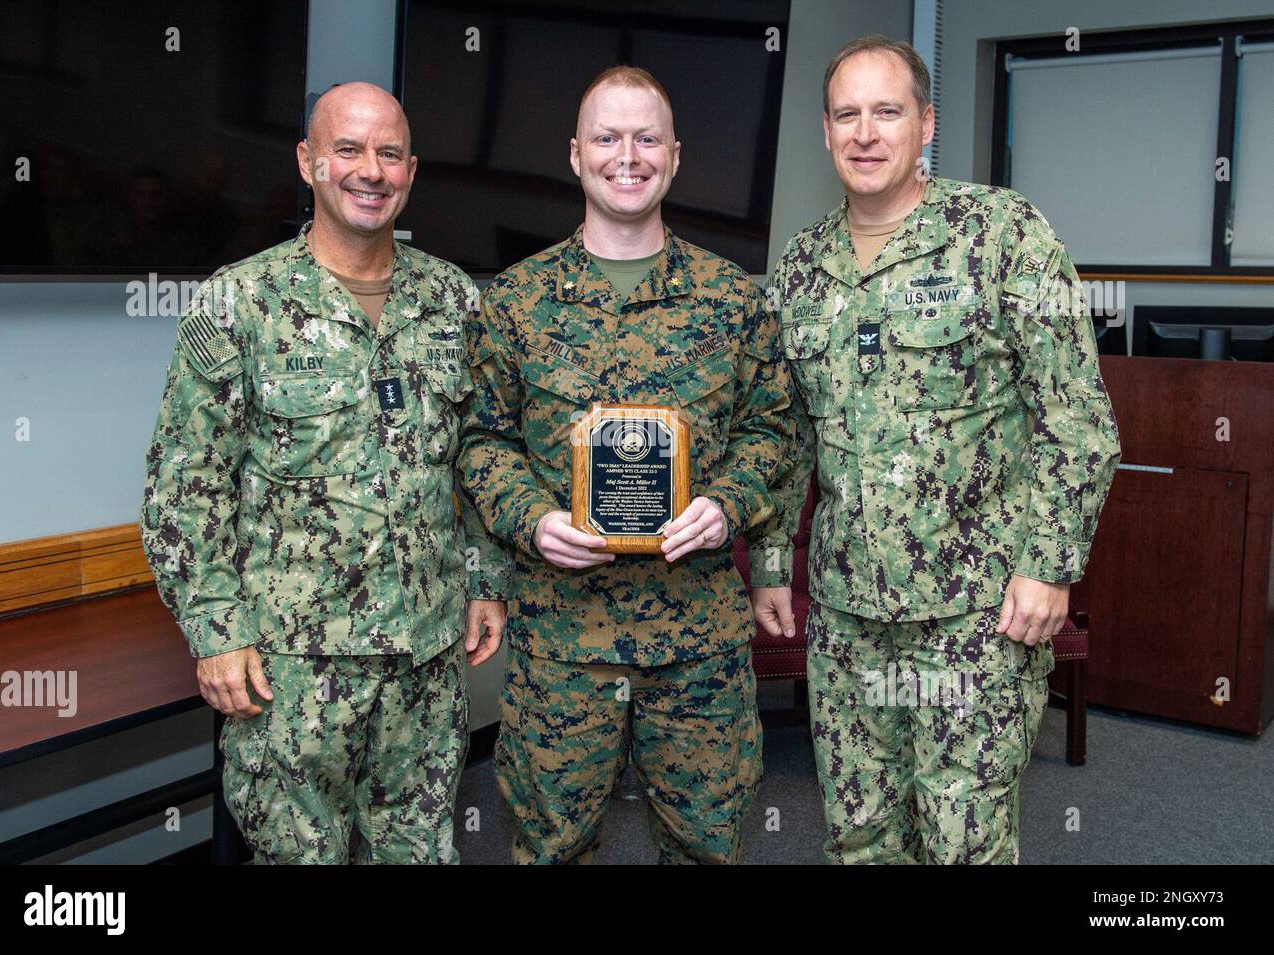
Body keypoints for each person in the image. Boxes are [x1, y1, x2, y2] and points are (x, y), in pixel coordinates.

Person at [753, 36, 1121, 864]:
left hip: (977, 615)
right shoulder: (803, 267)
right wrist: (774, 562)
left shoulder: (1001, 234)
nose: (867, 132)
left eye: (888, 111)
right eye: (848, 114)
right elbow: (788, 434)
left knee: (964, 844)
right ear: (825, 131)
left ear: (926, 123)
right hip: (847, 617)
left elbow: (1078, 418)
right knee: (860, 839)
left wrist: (1051, 563)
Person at [141, 82, 508, 864]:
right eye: (348, 149)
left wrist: (484, 578)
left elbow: (475, 458)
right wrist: (217, 631)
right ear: (309, 162)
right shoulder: (239, 303)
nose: (369, 170)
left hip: (425, 661)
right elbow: (185, 486)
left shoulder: (450, 300)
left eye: (388, 153)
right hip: (292, 675)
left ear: (411, 170)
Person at [457, 66, 796, 864]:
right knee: (552, 847)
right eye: (607, 137)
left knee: (709, 845)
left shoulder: (733, 300)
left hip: (698, 642)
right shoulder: (515, 302)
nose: (627, 155)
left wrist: (728, 500)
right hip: (562, 640)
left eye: (647, 138)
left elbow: (773, 431)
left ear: (675, 157)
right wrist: (531, 519)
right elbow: (481, 440)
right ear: (575, 155)